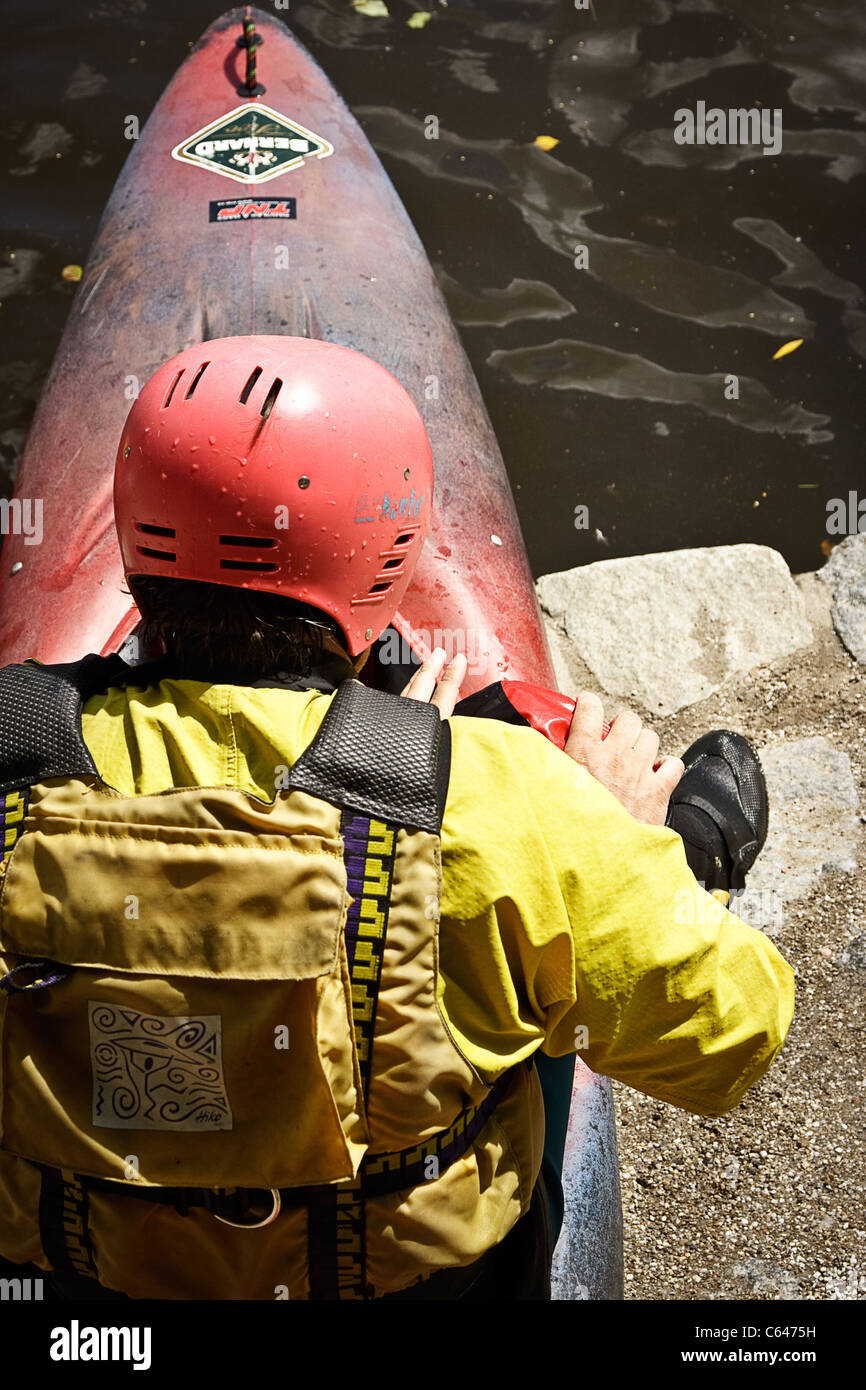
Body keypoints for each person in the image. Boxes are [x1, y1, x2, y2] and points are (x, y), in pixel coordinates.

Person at [0, 336, 794, 1301]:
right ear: (382, 563)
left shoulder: (12, 745)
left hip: (91, 1284)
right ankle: (688, 852)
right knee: (532, 950)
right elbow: (737, 1034)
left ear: (133, 532)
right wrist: (612, 827)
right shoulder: (493, 799)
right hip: (408, 1289)